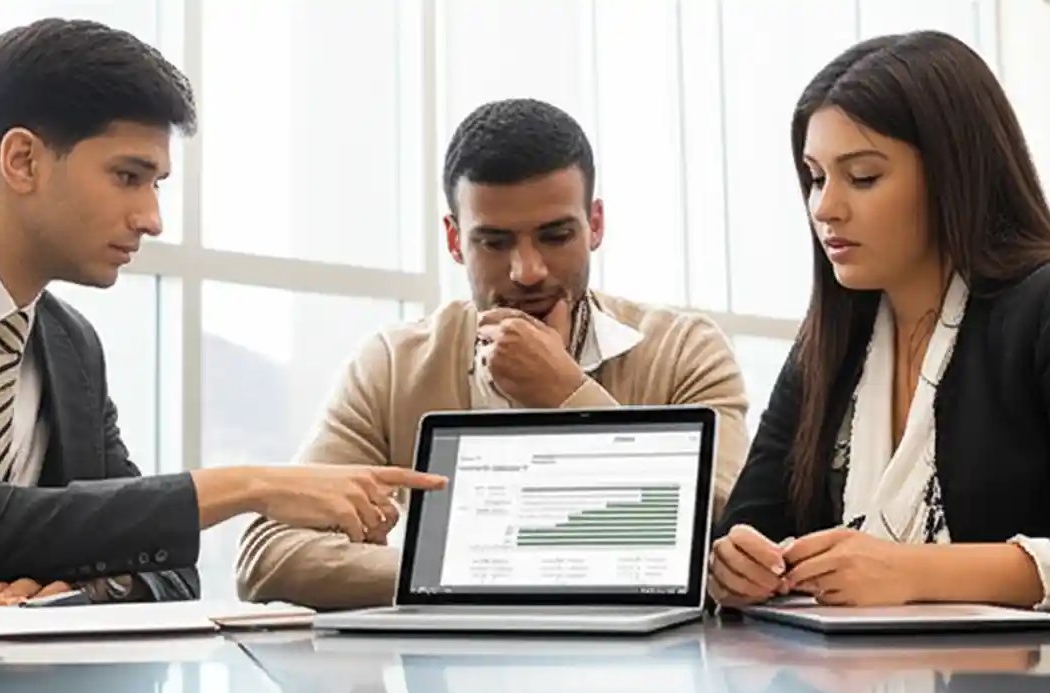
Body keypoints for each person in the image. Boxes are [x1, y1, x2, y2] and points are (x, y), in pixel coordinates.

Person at [0, 18, 444, 631]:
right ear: (22, 161)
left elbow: (169, 571)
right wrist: (250, 486)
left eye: (155, 184)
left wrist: (72, 591)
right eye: (128, 177)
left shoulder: (71, 344)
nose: (152, 218)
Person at [238, 98, 751, 610]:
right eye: (493, 242)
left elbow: (727, 536)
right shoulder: (394, 365)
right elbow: (269, 553)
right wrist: (465, 574)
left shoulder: (684, 350)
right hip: (454, 658)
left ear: (595, 224)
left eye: (556, 236)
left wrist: (567, 395)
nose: (527, 271)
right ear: (454, 239)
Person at [710, 30, 1050, 612]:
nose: (824, 207)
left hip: (1040, 672)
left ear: (955, 173)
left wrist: (918, 572)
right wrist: (736, 565)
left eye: (863, 177)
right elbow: (750, 525)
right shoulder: (829, 341)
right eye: (816, 177)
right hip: (842, 670)